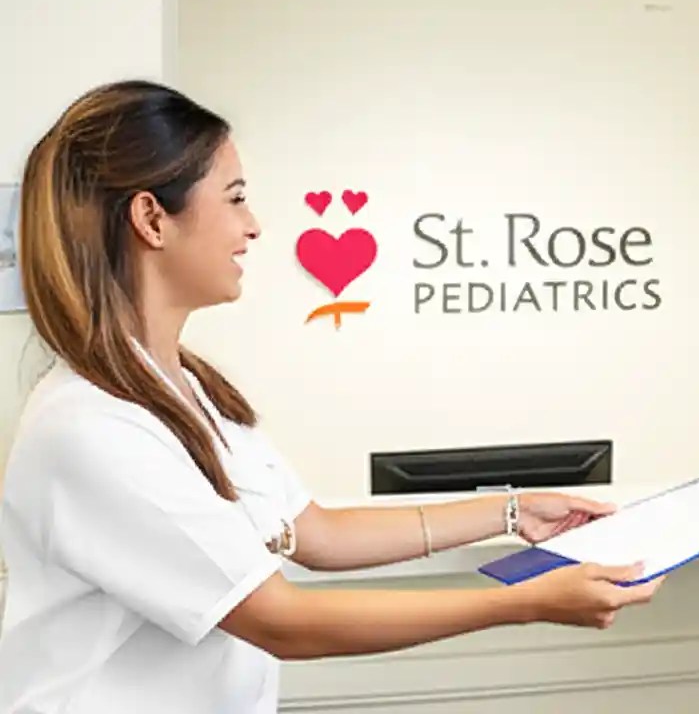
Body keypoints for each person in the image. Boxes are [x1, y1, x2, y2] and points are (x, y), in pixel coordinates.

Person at [0, 79, 662, 714]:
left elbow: (317, 532)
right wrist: (524, 604)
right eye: (234, 198)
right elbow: (283, 621)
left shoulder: (187, 388)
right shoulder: (90, 429)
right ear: (151, 218)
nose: (253, 226)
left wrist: (513, 511)